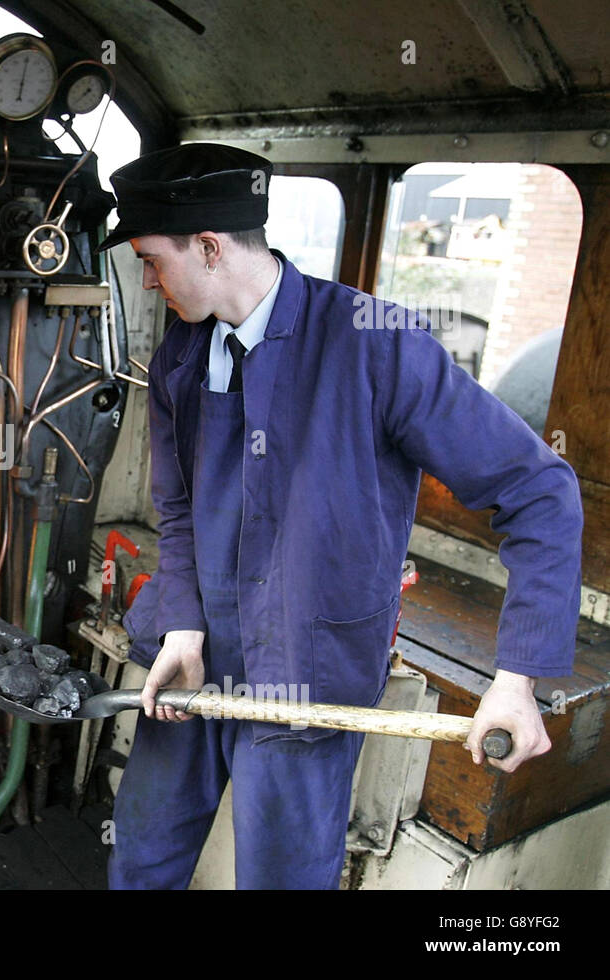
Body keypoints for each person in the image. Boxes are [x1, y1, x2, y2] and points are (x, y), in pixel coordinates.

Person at [97, 143, 583, 889]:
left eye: (152, 259)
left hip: (306, 672)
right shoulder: (180, 358)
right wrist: (184, 625)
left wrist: (517, 678)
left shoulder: (378, 345)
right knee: (143, 855)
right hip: (194, 662)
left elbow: (538, 488)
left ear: (208, 246)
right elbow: (180, 508)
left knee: (284, 880)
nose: (150, 279)